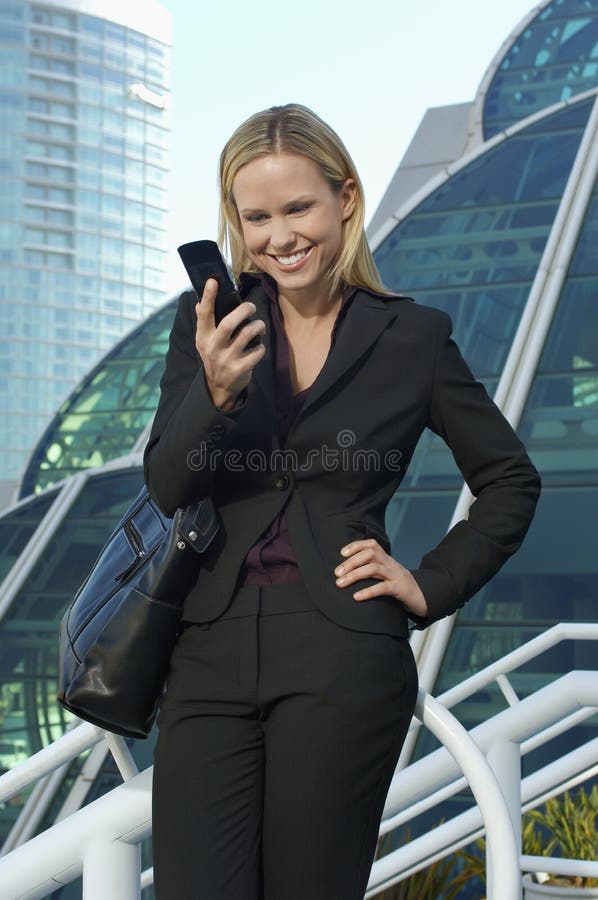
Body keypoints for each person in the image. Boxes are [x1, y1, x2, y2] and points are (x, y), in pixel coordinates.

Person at [143, 102, 541, 900]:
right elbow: (167, 485)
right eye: (256, 217)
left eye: (299, 208)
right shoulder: (208, 323)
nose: (279, 236)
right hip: (207, 654)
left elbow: (509, 479)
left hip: (341, 654)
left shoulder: (413, 337)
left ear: (346, 200)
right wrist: (213, 395)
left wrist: (430, 583)